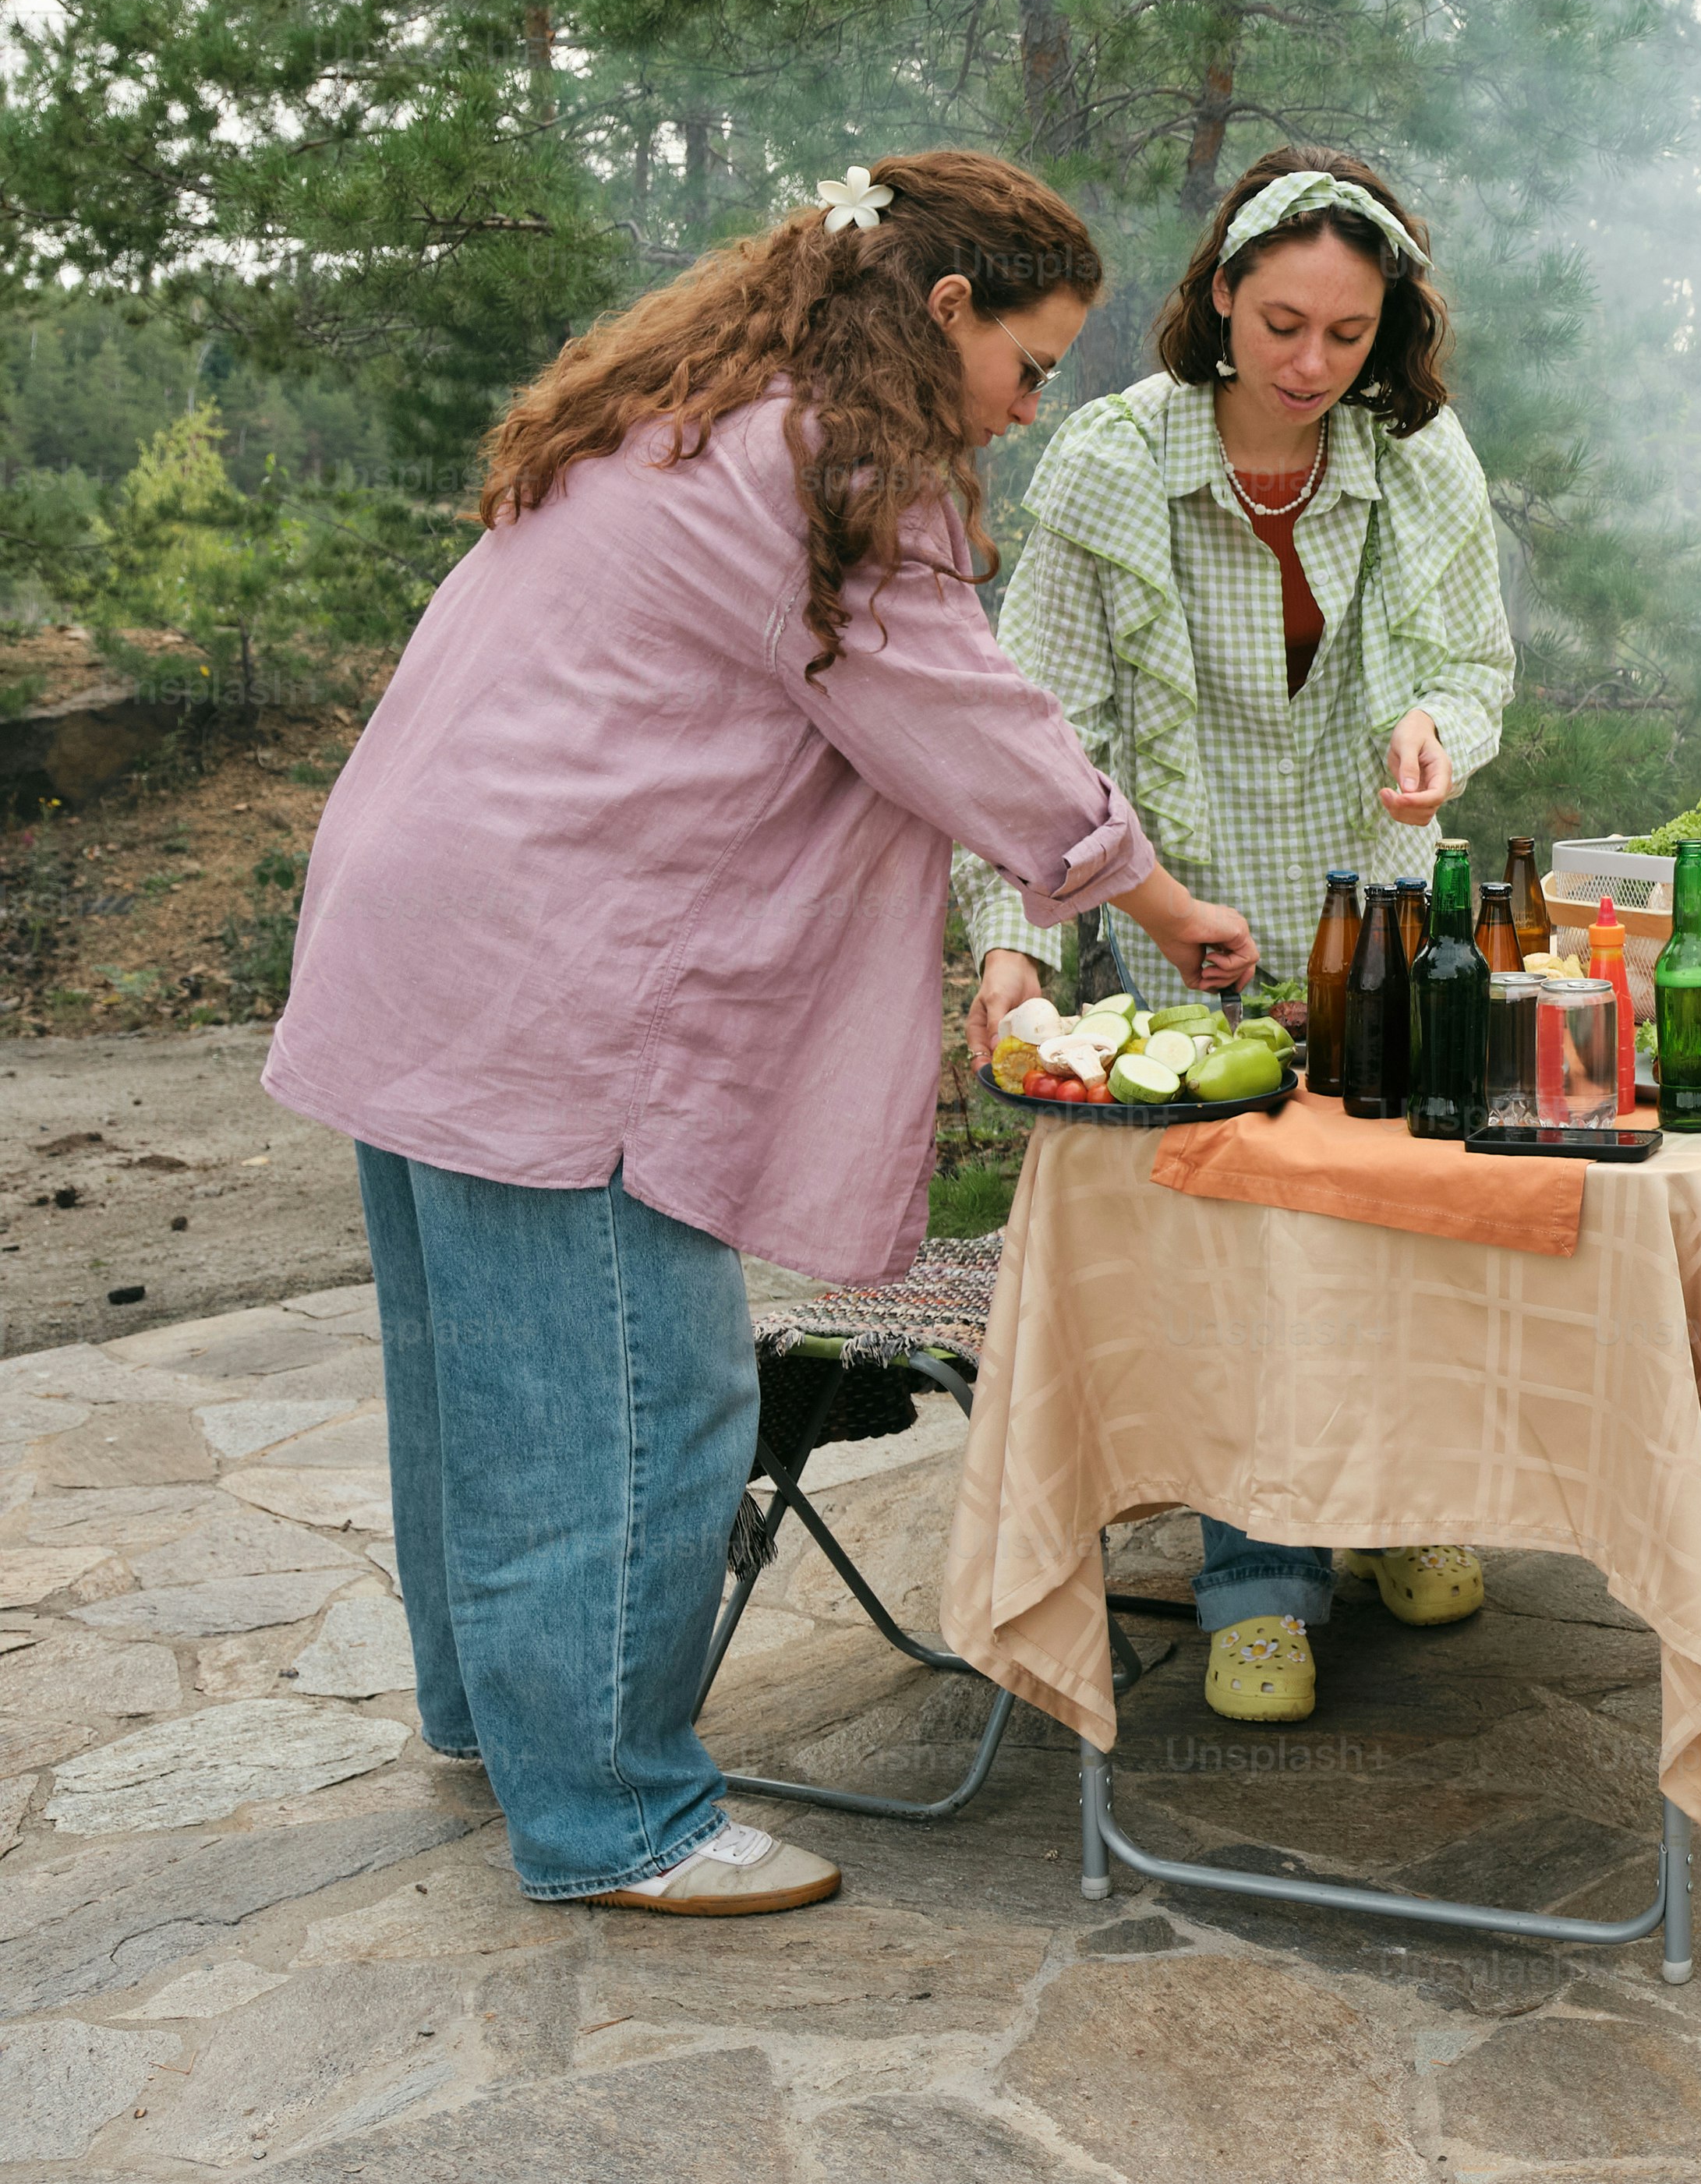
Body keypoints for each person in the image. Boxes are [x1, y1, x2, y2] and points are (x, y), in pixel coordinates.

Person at [267, 151, 1260, 1917]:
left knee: (484, 1387)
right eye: (1032, 364)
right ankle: (614, 1815)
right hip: (549, 968)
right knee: (645, 1398)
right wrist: (1163, 904)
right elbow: (970, 721)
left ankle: (501, 1730)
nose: (1035, 409)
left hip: (421, 933)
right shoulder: (839, 467)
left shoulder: (690, 402)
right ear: (943, 310)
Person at [958, 143, 1515, 1726]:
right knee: (1241, 1258)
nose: (1311, 364)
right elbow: (1032, 732)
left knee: (1393, 1221)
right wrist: (1018, 936)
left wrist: (1436, 730)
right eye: (1282, 324)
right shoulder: (1107, 466)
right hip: (1173, 925)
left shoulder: (1420, 456)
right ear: (1216, 292)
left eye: (1348, 336)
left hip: (1376, 908)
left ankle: (1403, 1497)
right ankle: (1259, 1576)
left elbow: (1475, 664)